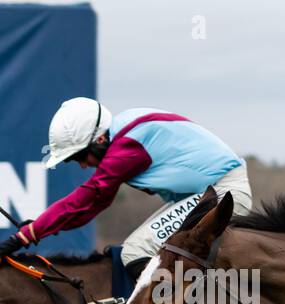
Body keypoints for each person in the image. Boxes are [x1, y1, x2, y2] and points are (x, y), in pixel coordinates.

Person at [0, 97, 252, 284]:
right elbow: (91, 206)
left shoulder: (128, 145)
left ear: (99, 139)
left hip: (222, 195)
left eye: (79, 155)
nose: (83, 164)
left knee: (135, 251)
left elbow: (88, 198)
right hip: (213, 194)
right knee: (146, 251)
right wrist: (39, 228)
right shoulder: (124, 132)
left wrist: (25, 235)